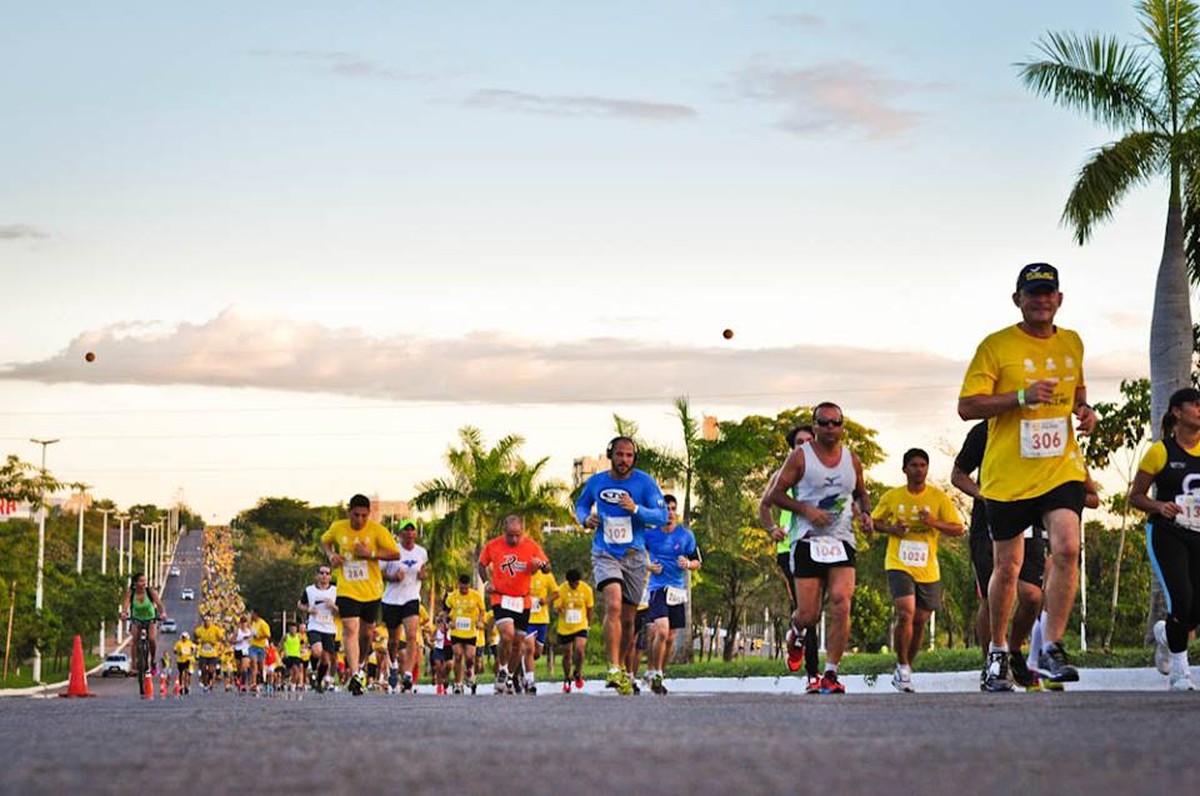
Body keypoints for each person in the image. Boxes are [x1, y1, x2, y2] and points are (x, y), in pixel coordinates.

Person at [958, 263, 1096, 691]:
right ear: (1017, 299)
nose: (1041, 300)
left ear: (1059, 299)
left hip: (1060, 468)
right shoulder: (996, 346)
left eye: (1047, 293)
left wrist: (1084, 411)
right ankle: (998, 651)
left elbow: (1077, 394)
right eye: (1032, 293)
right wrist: (1020, 396)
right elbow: (967, 407)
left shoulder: (1072, 343)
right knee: (1008, 566)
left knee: (1068, 547)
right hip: (1008, 476)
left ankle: (1051, 645)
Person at [767, 402, 872, 695]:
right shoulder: (800, 458)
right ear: (814, 427)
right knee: (809, 614)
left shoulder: (852, 460)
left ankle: (830, 673)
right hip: (807, 541)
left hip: (841, 541)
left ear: (842, 426)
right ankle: (796, 631)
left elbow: (862, 494)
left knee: (841, 601)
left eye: (835, 423)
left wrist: (865, 514)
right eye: (823, 423)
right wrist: (805, 510)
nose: (829, 428)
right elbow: (774, 495)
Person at [952, 420, 1047, 689]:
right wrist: (984, 496)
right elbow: (958, 475)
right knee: (991, 599)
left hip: (1030, 522)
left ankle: (1013, 650)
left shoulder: (1038, 425)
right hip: (990, 522)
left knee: (1032, 596)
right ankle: (993, 663)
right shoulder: (984, 430)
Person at [574, 436, 669, 695]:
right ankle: (613, 667)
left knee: (629, 621)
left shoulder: (644, 482)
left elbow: (661, 516)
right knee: (613, 604)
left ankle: (626, 671)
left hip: (635, 556)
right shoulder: (597, 482)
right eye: (619, 454)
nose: (624, 460)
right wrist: (585, 519)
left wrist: (636, 508)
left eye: (629, 455)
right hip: (605, 552)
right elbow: (580, 505)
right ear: (610, 455)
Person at [871, 448, 964, 692]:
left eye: (923, 465)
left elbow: (958, 528)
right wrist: (892, 529)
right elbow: (873, 522)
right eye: (913, 465)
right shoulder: (893, 496)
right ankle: (902, 666)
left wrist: (933, 522)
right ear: (904, 469)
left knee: (920, 620)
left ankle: (906, 668)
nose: (919, 469)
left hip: (927, 567)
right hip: (898, 562)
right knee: (906, 612)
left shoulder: (938, 497)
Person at [1128, 386, 1200, 691]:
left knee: (1195, 607)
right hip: (1168, 533)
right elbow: (1136, 497)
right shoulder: (1160, 451)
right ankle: (1181, 673)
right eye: (1195, 404)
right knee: (1181, 597)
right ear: (1177, 412)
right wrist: (1160, 506)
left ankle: (1165, 632)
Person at [319, 493, 401, 695]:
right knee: (350, 627)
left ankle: (362, 663)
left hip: (371, 590)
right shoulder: (339, 527)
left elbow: (395, 553)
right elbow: (325, 541)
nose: (360, 520)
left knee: (366, 634)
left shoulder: (377, 530)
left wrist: (370, 554)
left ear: (369, 514)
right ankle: (355, 673)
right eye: (356, 515)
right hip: (347, 589)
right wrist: (331, 555)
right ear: (349, 512)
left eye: (364, 516)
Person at [759, 424, 821, 690]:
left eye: (810, 440)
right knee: (809, 610)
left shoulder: (829, 473)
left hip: (824, 546)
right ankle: (813, 675)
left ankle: (795, 633)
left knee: (816, 610)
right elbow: (764, 505)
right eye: (800, 442)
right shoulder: (783, 475)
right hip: (792, 548)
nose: (805, 445)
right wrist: (773, 527)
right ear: (793, 448)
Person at [478, 514, 550, 694]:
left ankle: (508, 675)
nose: (514, 539)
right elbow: (481, 564)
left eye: (517, 535)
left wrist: (540, 564)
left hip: (522, 600)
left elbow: (548, 567)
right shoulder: (493, 545)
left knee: (519, 643)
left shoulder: (531, 546)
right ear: (504, 532)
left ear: (522, 532)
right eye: (510, 535)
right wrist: (487, 583)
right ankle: (502, 667)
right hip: (500, 597)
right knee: (507, 634)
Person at [644, 494, 701, 695]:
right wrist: (649, 566)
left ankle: (659, 672)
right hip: (658, 588)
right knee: (661, 630)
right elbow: (635, 556)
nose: (669, 512)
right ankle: (655, 672)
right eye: (665, 509)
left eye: (672, 508)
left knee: (669, 637)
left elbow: (697, 561)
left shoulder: (686, 536)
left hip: (677, 591)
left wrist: (688, 564)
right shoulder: (649, 535)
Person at [381, 519, 428, 693]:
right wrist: (393, 577)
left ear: (415, 533)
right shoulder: (392, 550)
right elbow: (381, 573)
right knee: (394, 640)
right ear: (400, 534)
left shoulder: (421, 552)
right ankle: (393, 665)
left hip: (411, 598)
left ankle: (407, 674)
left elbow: (423, 570)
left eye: (412, 530)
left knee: (412, 635)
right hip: (392, 599)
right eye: (405, 530)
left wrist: (422, 575)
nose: (409, 533)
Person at [298, 565, 339, 693]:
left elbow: (341, 611)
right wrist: (308, 609)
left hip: (329, 627)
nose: (324, 576)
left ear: (330, 576)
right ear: (317, 575)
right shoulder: (309, 590)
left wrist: (332, 606)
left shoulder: (335, 591)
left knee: (326, 659)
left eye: (327, 573)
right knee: (317, 651)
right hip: (314, 625)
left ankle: (318, 681)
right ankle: (312, 665)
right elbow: (300, 604)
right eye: (322, 573)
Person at [120, 572, 167, 682]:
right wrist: (124, 613)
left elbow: (159, 604)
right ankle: (134, 665)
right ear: (135, 583)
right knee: (134, 640)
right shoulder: (131, 593)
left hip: (150, 619)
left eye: (144, 581)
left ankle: (152, 661)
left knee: (151, 639)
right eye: (141, 581)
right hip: (137, 619)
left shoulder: (150, 592)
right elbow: (126, 604)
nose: (143, 583)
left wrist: (162, 613)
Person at [445, 574, 486, 695]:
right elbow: (445, 612)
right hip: (456, 631)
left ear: (469, 586)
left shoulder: (476, 596)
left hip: (470, 632)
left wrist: (480, 621)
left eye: (466, 588)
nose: (464, 590)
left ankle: (469, 670)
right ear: (458, 585)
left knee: (469, 657)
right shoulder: (452, 596)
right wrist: (448, 622)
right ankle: (458, 684)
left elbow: (482, 610)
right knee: (457, 656)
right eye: (462, 588)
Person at [555, 568, 594, 692]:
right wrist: (560, 609)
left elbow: (590, 608)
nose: (575, 585)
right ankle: (567, 677)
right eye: (573, 583)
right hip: (565, 627)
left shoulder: (586, 589)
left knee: (580, 649)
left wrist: (589, 623)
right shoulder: (561, 589)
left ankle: (577, 671)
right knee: (567, 653)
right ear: (568, 582)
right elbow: (556, 606)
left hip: (580, 625)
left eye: (577, 583)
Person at [523, 562, 558, 690]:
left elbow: (556, 593)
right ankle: (530, 680)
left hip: (542, 619)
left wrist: (546, 600)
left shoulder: (546, 576)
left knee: (537, 653)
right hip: (526, 619)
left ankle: (523, 666)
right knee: (529, 649)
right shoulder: (522, 576)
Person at [193, 615, 225, 693]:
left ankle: (210, 681)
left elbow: (221, 638)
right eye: (205, 621)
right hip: (203, 653)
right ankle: (205, 684)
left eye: (208, 621)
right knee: (203, 669)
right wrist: (198, 641)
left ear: (210, 622)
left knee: (211, 670)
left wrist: (216, 642)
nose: (206, 623)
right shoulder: (199, 630)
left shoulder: (215, 629)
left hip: (212, 653)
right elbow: (195, 636)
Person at [246, 610, 272, 694]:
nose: (251, 616)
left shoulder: (263, 624)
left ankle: (262, 680)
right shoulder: (252, 623)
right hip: (253, 646)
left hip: (261, 647)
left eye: (252, 614)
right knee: (253, 664)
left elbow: (268, 635)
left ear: (256, 614)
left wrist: (259, 636)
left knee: (261, 666)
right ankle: (253, 684)